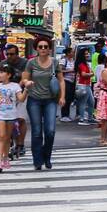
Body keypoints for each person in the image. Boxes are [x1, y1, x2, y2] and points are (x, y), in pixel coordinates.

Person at [23, 37, 66, 170]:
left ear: (49, 49)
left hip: (50, 100)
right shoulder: (31, 63)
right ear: (36, 48)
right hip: (34, 100)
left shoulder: (54, 62)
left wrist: (62, 97)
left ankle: (46, 156)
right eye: (40, 46)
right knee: (36, 131)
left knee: (50, 131)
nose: (43, 49)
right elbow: (24, 78)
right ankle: (37, 160)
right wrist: (27, 82)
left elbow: (61, 80)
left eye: (45, 47)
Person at [0, 64, 26, 172]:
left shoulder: (15, 86)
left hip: (11, 115)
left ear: (8, 75)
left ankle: (5, 157)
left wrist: (27, 89)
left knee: (7, 138)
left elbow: (21, 99)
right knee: (2, 136)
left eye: (2, 72)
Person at [3, 43, 29, 156]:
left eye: (12, 54)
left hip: (21, 94)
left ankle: (20, 144)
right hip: (6, 96)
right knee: (8, 121)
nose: (9, 56)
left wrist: (15, 88)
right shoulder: (3, 64)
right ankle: (11, 143)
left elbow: (24, 79)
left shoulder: (24, 63)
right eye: (7, 54)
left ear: (17, 54)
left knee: (20, 119)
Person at [74, 48, 95, 124]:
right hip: (83, 85)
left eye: (88, 53)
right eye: (86, 54)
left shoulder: (85, 64)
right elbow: (83, 74)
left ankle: (89, 118)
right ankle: (82, 119)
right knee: (84, 102)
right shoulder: (82, 64)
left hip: (86, 85)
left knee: (91, 102)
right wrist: (91, 74)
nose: (88, 55)